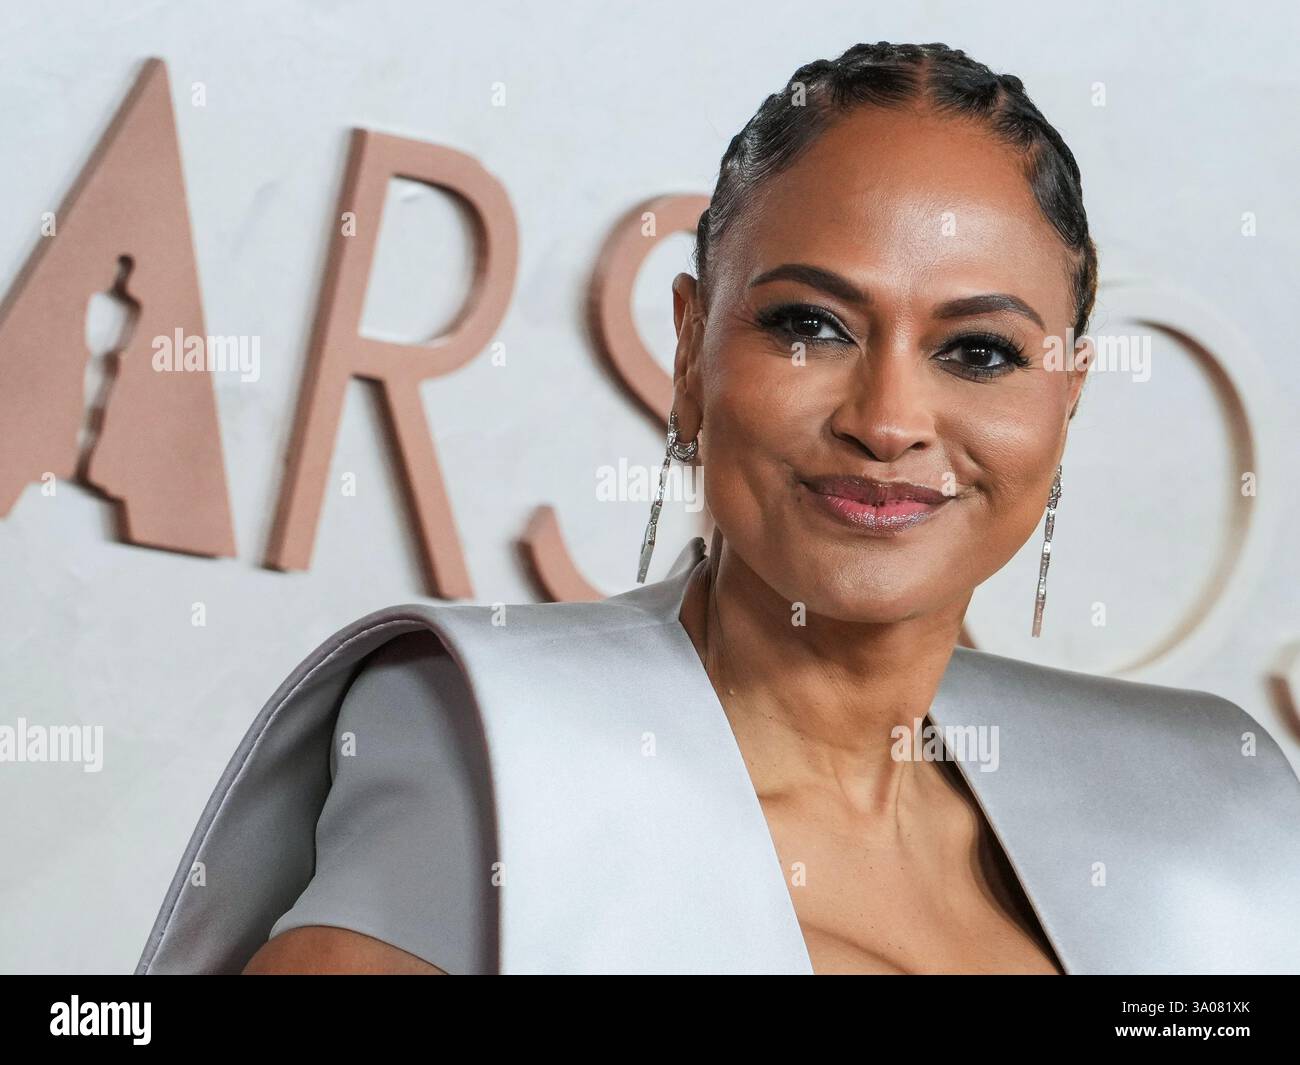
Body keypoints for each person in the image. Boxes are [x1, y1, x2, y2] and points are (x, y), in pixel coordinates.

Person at [137, 41, 1300, 976]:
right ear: (692, 347)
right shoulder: (503, 773)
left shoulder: (1213, 823)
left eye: (979, 350)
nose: (887, 418)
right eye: (810, 325)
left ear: (1067, 399)